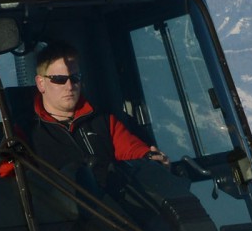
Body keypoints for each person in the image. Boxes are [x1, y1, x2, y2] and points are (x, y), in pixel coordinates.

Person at [22, 44, 160, 169]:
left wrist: (150, 157)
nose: (69, 86)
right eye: (59, 80)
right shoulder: (26, 134)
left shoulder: (104, 121)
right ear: (41, 83)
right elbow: (8, 181)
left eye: (75, 78)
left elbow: (132, 151)